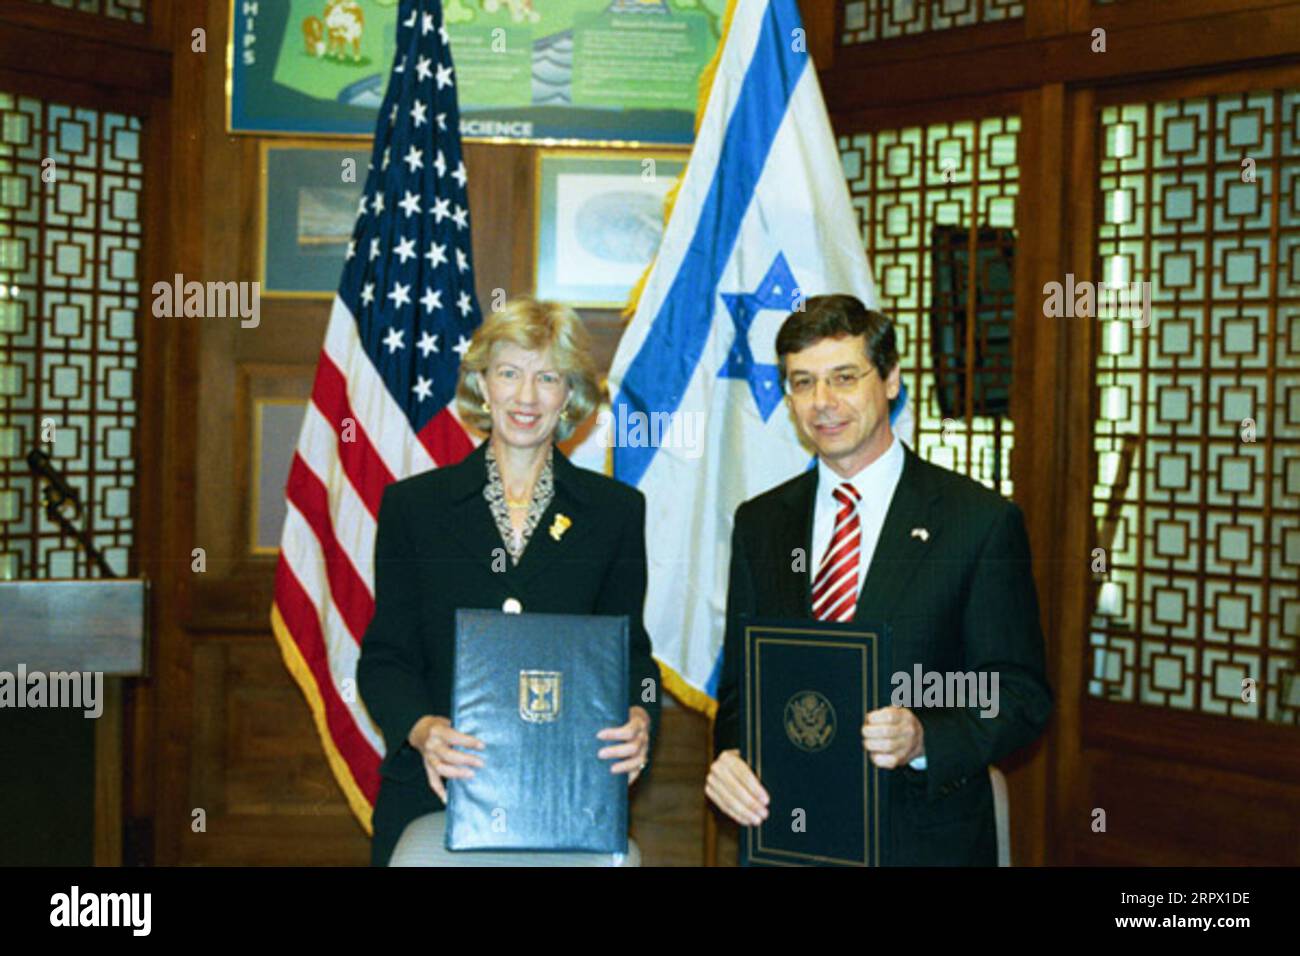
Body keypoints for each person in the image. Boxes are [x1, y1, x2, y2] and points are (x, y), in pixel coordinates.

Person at [705, 294, 1052, 866]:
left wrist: (924, 738)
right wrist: (732, 756)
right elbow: (744, 687)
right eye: (802, 383)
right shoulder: (761, 523)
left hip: (920, 841)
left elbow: (1019, 694)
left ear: (890, 379)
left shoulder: (978, 522)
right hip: (787, 836)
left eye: (844, 377)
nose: (823, 403)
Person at [358, 298, 661, 867]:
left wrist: (642, 716)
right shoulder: (413, 507)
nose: (526, 397)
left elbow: (635, 661)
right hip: (435, 790)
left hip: (566, 795)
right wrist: (423, 730)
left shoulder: (616, 512)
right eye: (509, 373)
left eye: (547, 377)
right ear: (482, 385)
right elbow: (384, 658)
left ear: (570, 394)